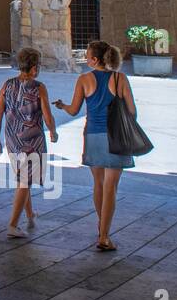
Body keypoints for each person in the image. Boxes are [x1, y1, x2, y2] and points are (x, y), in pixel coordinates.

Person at [53, 40, 136, 251]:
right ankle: (104, 236)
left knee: (98, 185)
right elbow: (132, 112)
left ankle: (102, 229)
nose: (86, 59)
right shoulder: (120, 79)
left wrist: (62, 105)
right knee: (111, 188)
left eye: (88, 56)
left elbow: (73, 111)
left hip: (92, 136)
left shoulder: (83, 80)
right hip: (115, 136)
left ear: (95, 60)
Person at [0, 47, 59, 238]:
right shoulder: (39, 87)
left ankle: (29, 214)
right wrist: (53, 131)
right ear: (35, 68)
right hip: (32, 140)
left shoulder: (7, 85)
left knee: (23, 178)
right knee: (24, 180)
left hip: (12, 139)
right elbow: (47, 115)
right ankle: (12, 225)